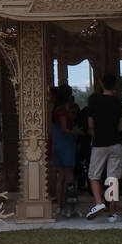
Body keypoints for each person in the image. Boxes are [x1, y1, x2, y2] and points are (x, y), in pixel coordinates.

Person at [85, 73, 122, 221]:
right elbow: (121, 125)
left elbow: (90, 125)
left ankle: (99, 202)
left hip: (99, 144)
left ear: (101, 84)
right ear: (114, 85)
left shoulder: (94, 101)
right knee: (113, 178)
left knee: (94, 175)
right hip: (115, 144)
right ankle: (113, 212)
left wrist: (94, 135)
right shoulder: (119, 102)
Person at [48, 87, 76, 217]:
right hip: (65, 144)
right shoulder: (63, 111)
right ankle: (69, 204)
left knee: (60, 176)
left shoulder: (55, 110)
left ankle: (60, 204)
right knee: (68, 176)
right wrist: (76, 132)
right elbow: (65, 128)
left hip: (57, 143)